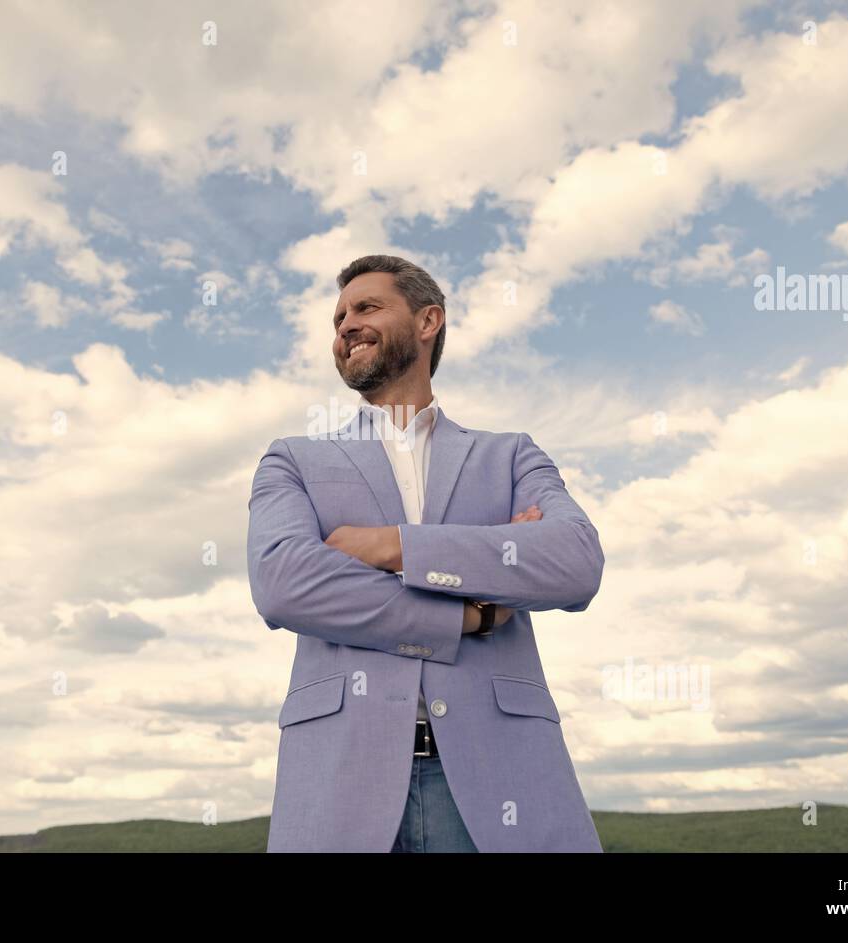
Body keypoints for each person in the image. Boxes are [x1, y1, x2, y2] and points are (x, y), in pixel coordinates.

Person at [247, 254, 605, 852]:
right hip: (340, 780)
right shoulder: (292, 459)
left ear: (427, 320)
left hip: (501, 771)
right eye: (338, 318)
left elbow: (573, 562)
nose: (345, 326)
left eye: (366, 307)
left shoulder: (511, 455)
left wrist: (391, 545)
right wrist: (469, 611)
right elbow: (284, 584)